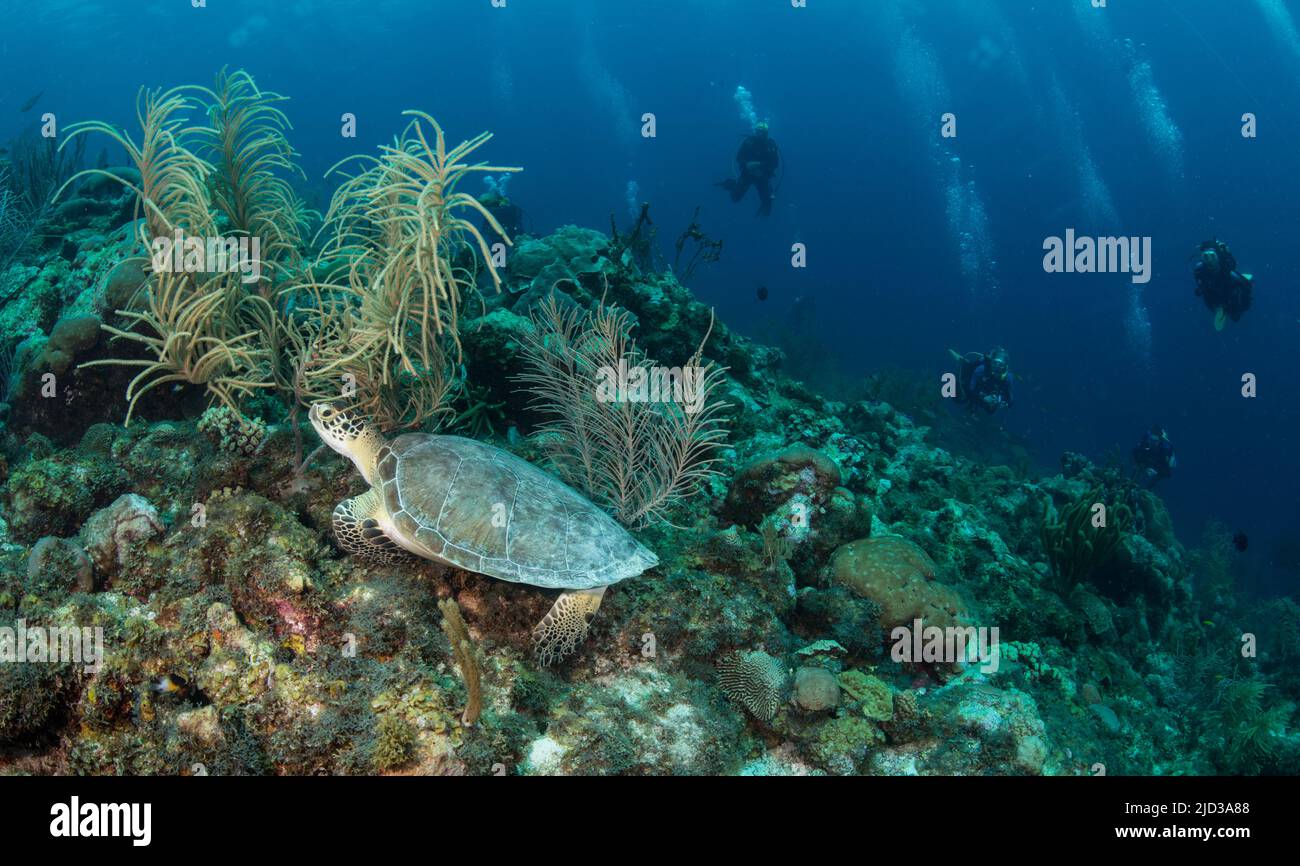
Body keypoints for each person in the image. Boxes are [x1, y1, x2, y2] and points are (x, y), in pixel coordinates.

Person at [718, 121, 780, 216]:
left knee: (767, 203)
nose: (760, 134)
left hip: (762, 177)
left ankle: (762, 222)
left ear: (766, 134)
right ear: (755, 131)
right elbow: (739, 157)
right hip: (747, 174)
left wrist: (759, 165)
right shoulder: (748, 142)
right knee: (735, 198)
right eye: (758, 131)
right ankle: (732, 184)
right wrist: (747, 165)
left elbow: (775, 163)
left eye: (762, 132)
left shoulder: (770, 145)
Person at [1192, 239, 1253, 330]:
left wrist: (1244, 304)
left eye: (1212, 256)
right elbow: (1201, 287)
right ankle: (1221, 307)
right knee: (1211, 302)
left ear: (1218, 257)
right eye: (1205, 256)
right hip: (1214, 292)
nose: (1209, 260)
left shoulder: (1227, 271)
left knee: (1235, 316)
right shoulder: (1199, 270)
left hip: (1229, 291)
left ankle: (1227, 308)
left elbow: (1246, 285)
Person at [949, 347, 1014, 414]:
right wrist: (983, 397)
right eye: (994, 363)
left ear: (1005, 366)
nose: (996, 367)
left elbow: (1010, 400)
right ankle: (963, 362)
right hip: (976, 387)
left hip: (987, 391)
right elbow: (970, 388)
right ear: (991, 362)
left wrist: (1001, 402)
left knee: (991, 410)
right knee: (958, 399)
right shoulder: (982, 369)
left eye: (1000, 365)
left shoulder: (1008, 378)